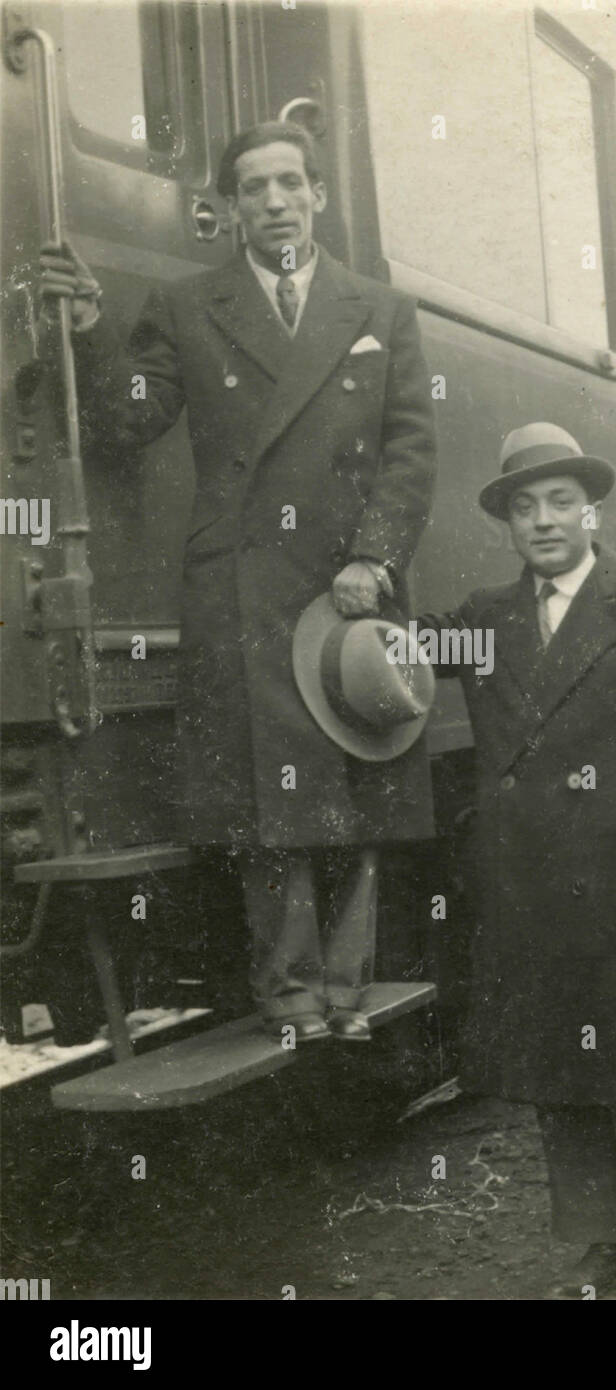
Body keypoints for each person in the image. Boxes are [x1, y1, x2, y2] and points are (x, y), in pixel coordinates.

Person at [38, 122, 437, 1042]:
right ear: (226, 209)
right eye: (252, 187)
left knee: (358, 780)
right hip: (244, 583)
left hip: (349, 583)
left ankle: (348, 985)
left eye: (290, 183)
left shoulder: (380, 310)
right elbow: (131, 420)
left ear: (318, 196)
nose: (273, 201)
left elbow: (410, 452)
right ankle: (290, 989)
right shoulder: (189, 308)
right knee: (269, 800)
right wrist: (93, 329)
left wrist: (372, 559)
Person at [419, 422, 616, 1299]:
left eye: (560, 502)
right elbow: (400, 651)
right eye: (524, 508)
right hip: (526, 886)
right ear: (508, 526)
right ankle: (601, 1254)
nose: (544, 522)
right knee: (558, 1073)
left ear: (590, 508)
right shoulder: (483, 621)